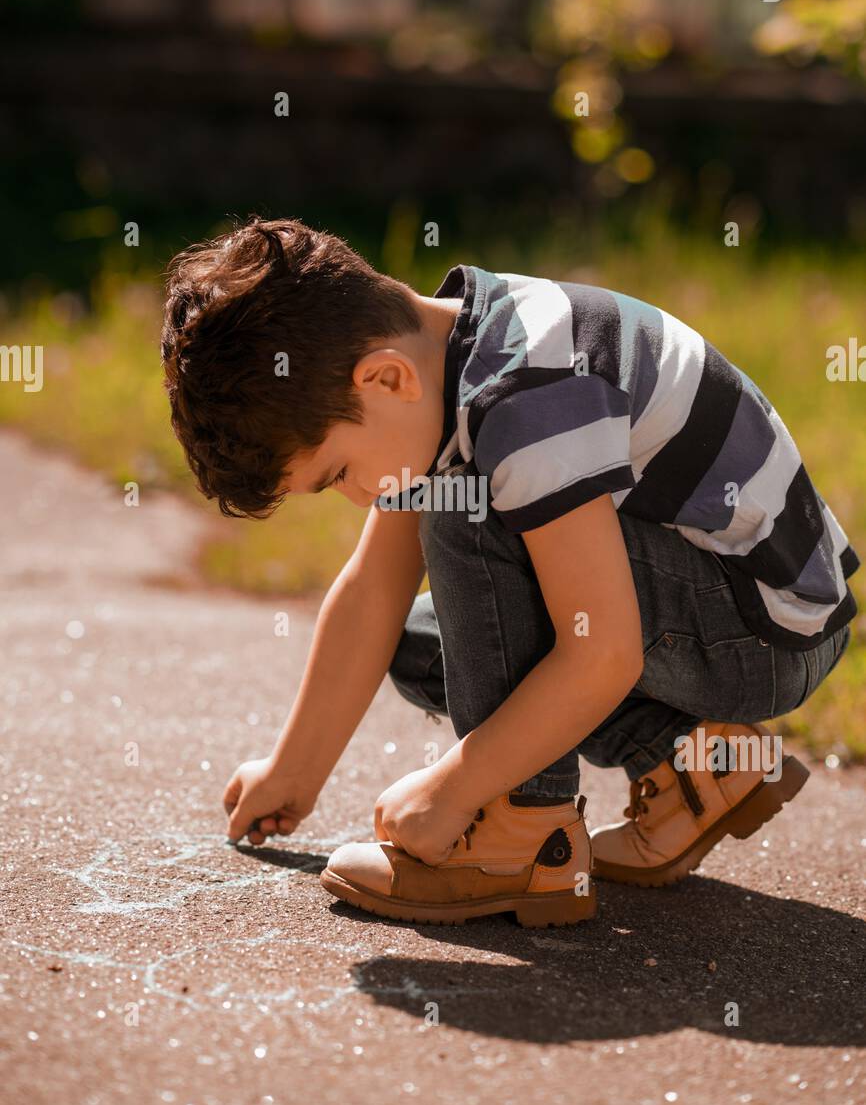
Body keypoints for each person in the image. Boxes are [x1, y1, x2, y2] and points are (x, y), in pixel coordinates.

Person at [160, 216, 858, 927]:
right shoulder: (449, 361)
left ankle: (522, 834)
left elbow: (604, 652)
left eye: (340, 472)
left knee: (464, 507)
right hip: (712, 608)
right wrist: (293, 772)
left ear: (385, 377)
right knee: (421, 639)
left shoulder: (525, 392)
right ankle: (692, 768)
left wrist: (453, 790)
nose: (358, 495)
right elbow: (372, 592)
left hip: (760, 629)